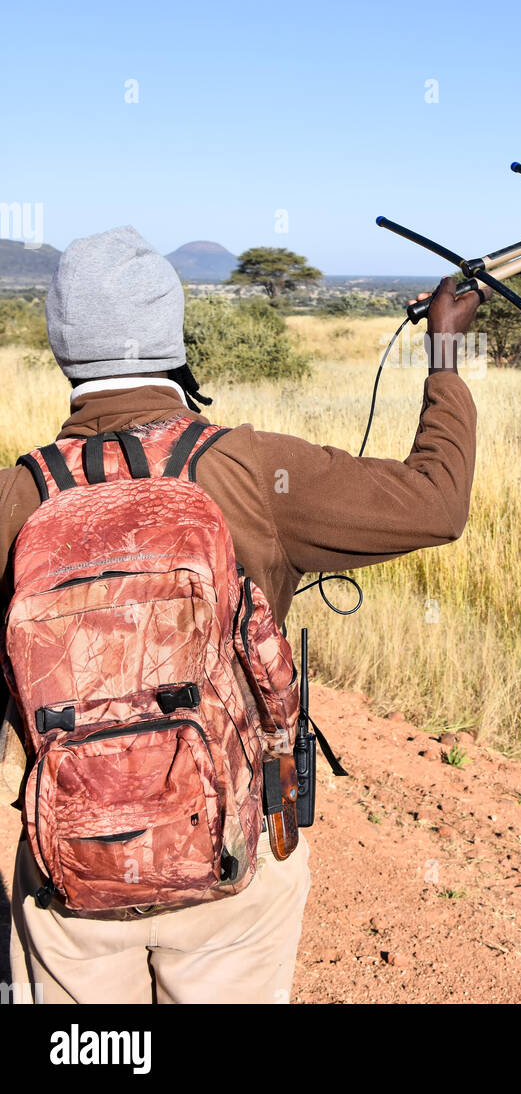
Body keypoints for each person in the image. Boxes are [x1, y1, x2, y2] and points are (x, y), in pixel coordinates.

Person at [0, 225, 487, 1004]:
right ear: (172, 339)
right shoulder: (254, 471)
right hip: (236, 858)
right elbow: (436, 502)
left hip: (73, 872)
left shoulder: (18, 497)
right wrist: (445, 353)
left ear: (60, 348)